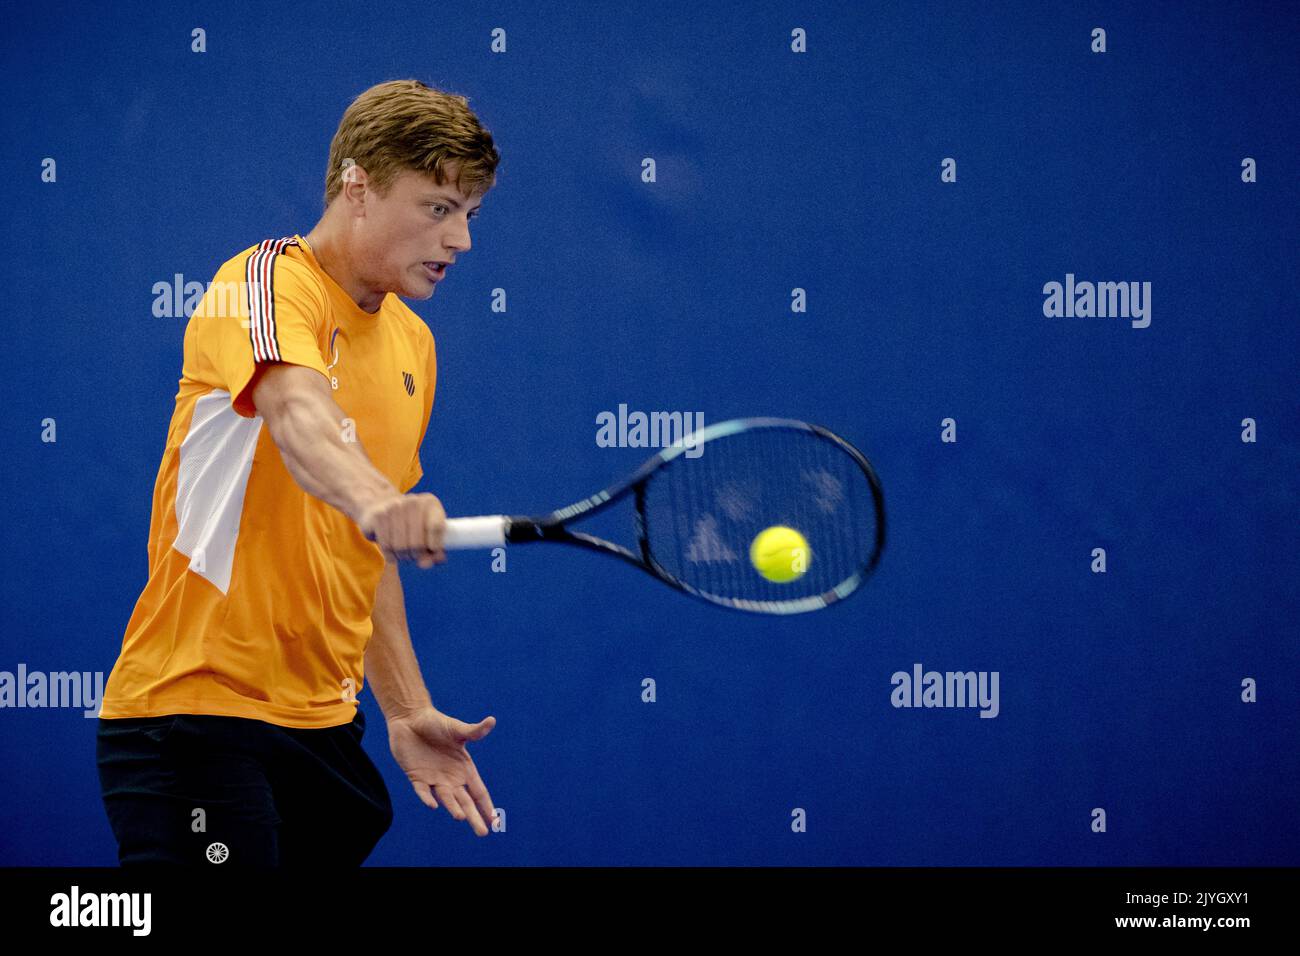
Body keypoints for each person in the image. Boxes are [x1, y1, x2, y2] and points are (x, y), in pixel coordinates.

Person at [96, 79, 501, 865]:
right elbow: (297, 417)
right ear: (358, 185)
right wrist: (381, 499)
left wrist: (407, 709)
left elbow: (363, 549)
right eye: (437, 208)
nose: (461, 242)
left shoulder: (415, 345)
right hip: (195, 719)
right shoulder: (262, 283)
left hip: (323, 734)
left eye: (470, 215)